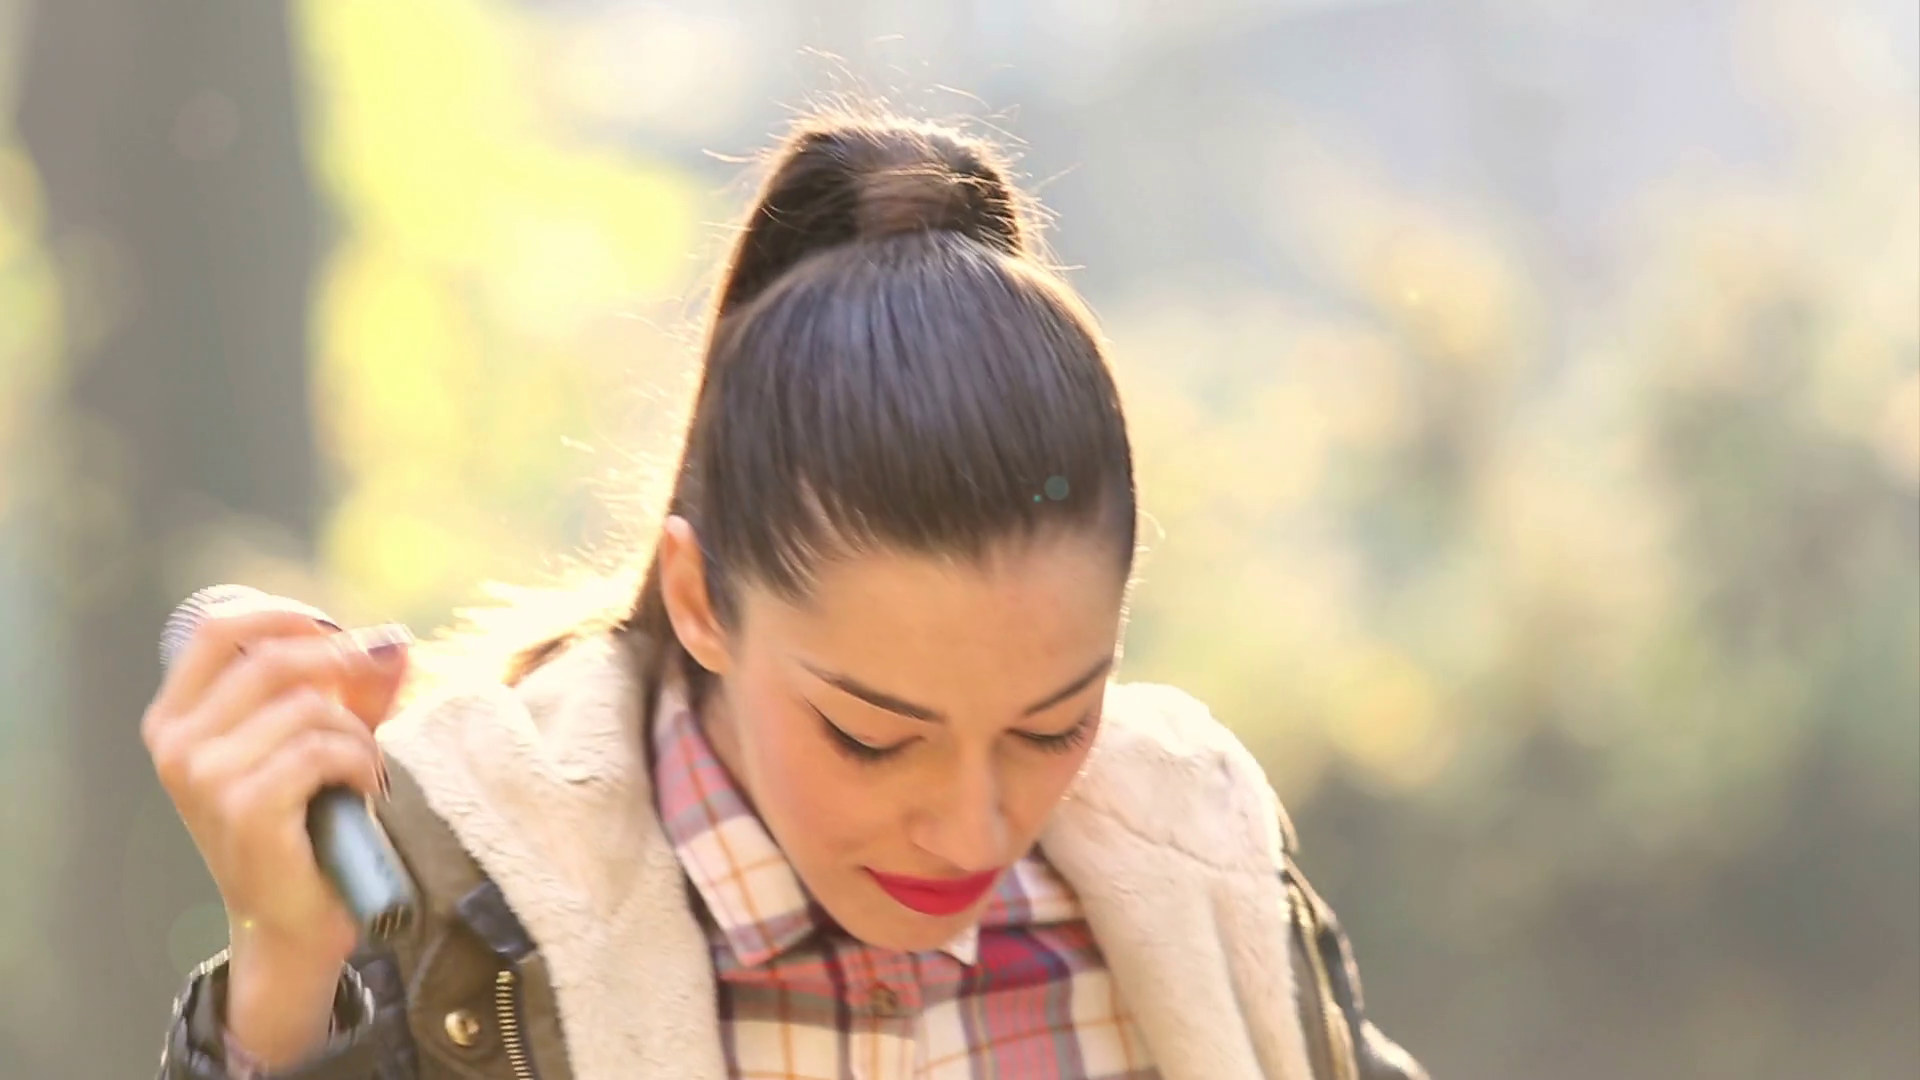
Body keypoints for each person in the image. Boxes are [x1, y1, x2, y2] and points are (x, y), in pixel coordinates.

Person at [148, 114, 1428, 1080]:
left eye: (1053, 725)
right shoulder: (458, 904)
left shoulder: (1199, 874)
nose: (975, 831)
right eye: (873, 735)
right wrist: (283, 975)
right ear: (701, 599)